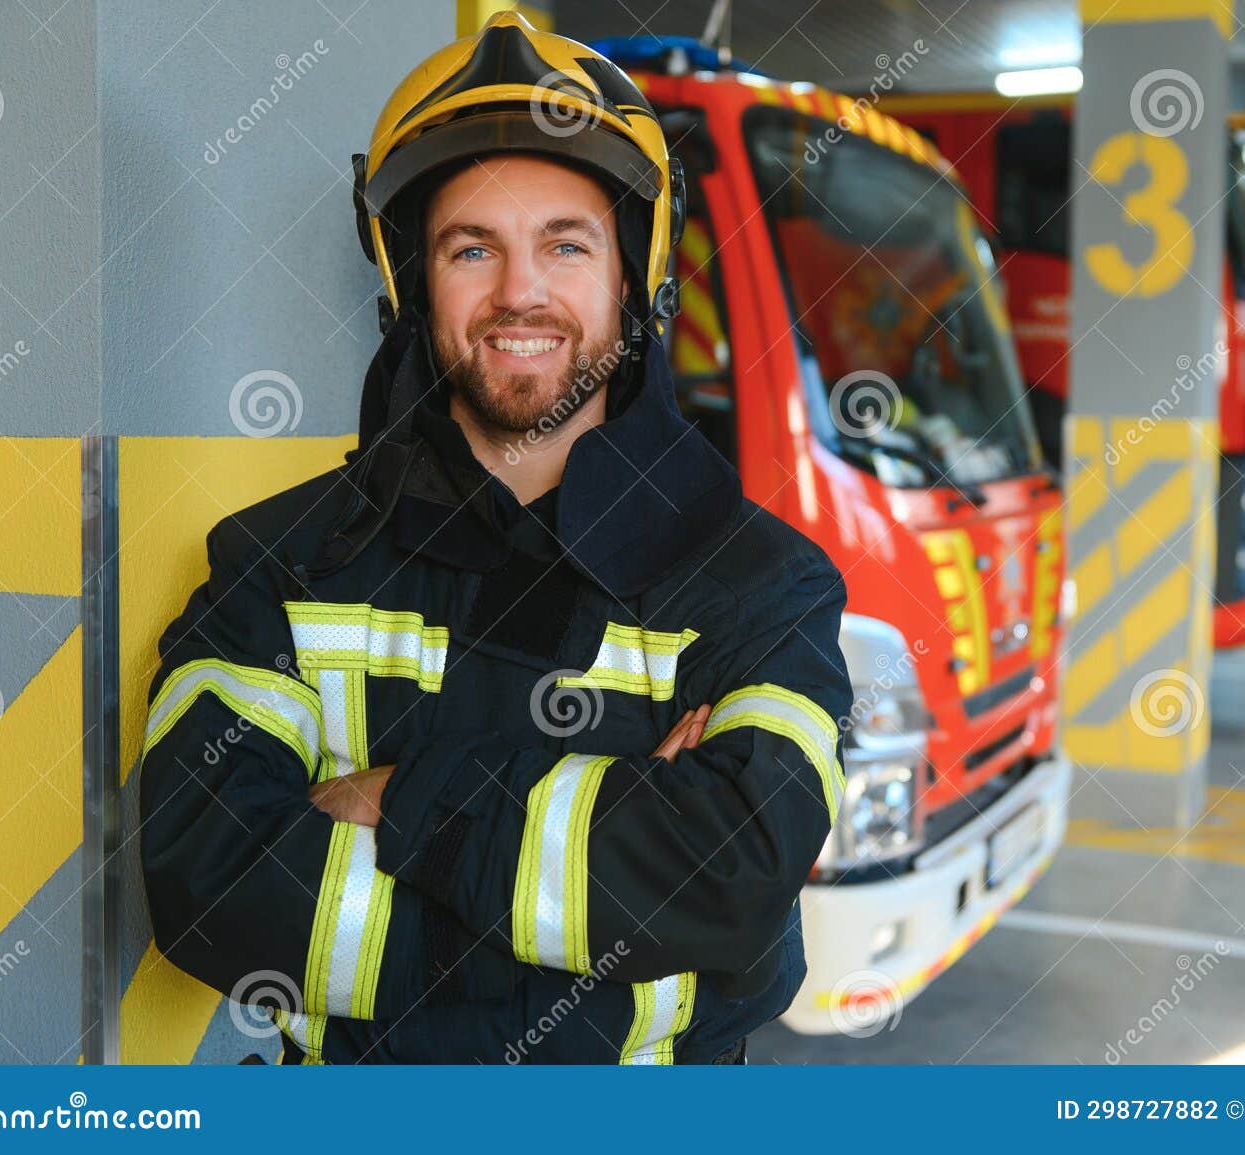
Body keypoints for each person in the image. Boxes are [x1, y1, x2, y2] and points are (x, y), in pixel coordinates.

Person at [138, 10, 851, 1065]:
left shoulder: (761, 583)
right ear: (414, 285)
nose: (521, 292)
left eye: (565, 244)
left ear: (629, 274)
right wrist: (611, 905)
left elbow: (735, 877)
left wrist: (401, 800)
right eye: (473, 248)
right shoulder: (277, 564)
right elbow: (209, 884)